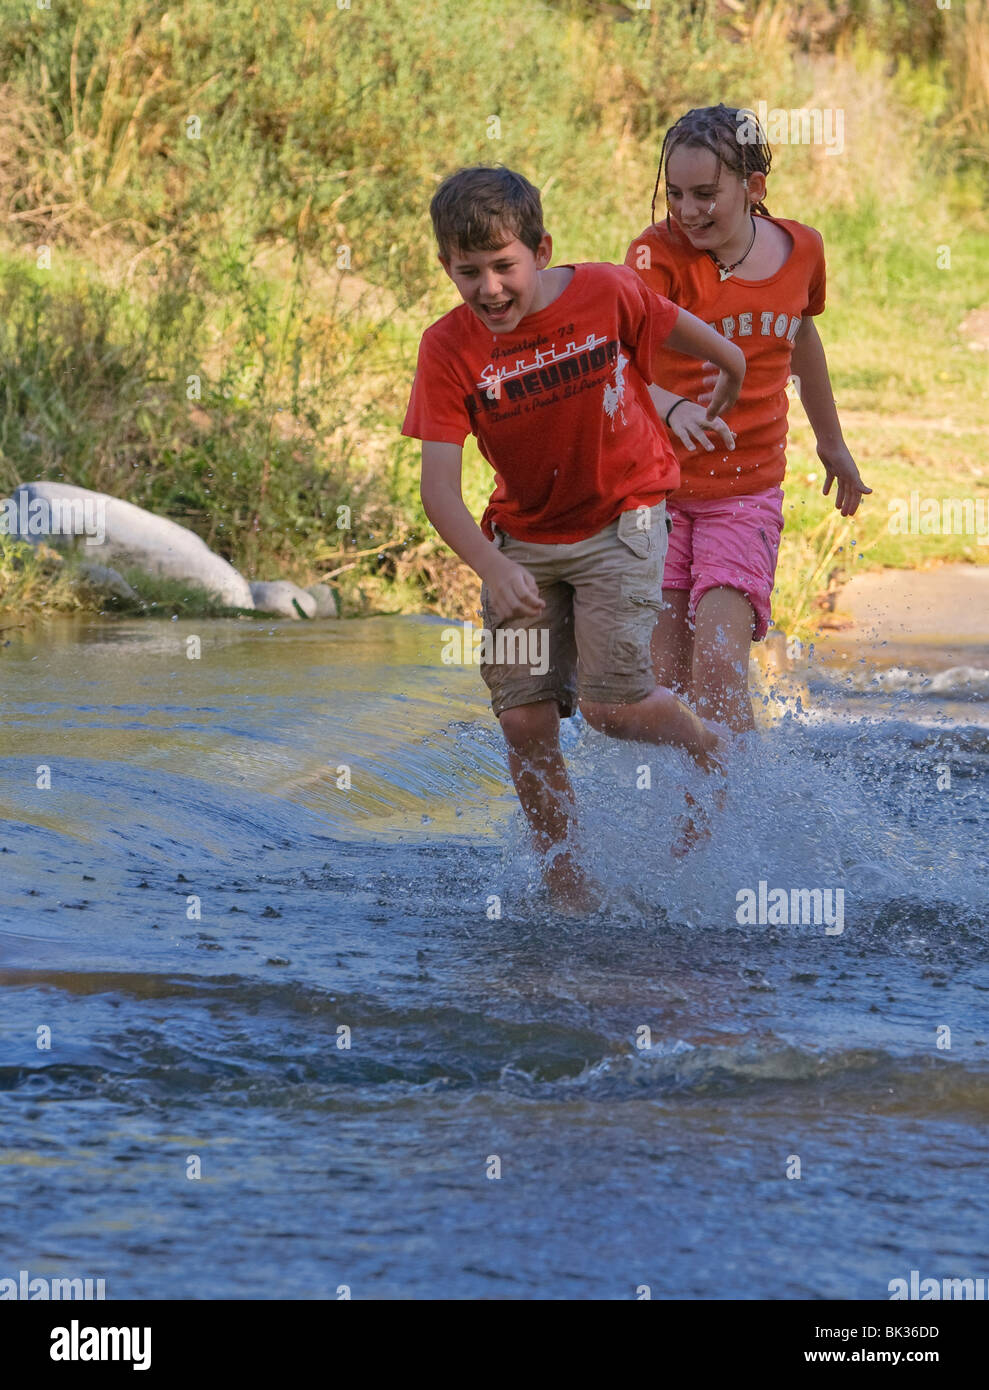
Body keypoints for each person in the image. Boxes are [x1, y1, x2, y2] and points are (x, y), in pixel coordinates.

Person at [402, 165, 746, 909]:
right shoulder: (448, 348)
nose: (489, 288)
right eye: (469, 273)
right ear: (445, 268)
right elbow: (437, 489)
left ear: (540, 249)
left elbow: (686, 334)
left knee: (609, 708)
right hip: (521, 542)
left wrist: (732, 368)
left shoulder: (603, 290)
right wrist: (491, 567)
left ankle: (709, 745)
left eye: (504, 267)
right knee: (523, 715)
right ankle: (567, 880)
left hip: (623, 519)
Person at [626, 104, 872, 733]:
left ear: (753, 187)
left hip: (746, 493)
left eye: (706, 193)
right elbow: (617, 363)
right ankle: (678, 826)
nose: (687, 210)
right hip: (656, 493)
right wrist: (672, 405)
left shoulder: (802, 250)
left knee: (717, 664)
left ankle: (742, 819)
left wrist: (832, 443)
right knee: (665, 679)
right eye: (675, 193)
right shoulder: (656, 257)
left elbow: (802, 339)